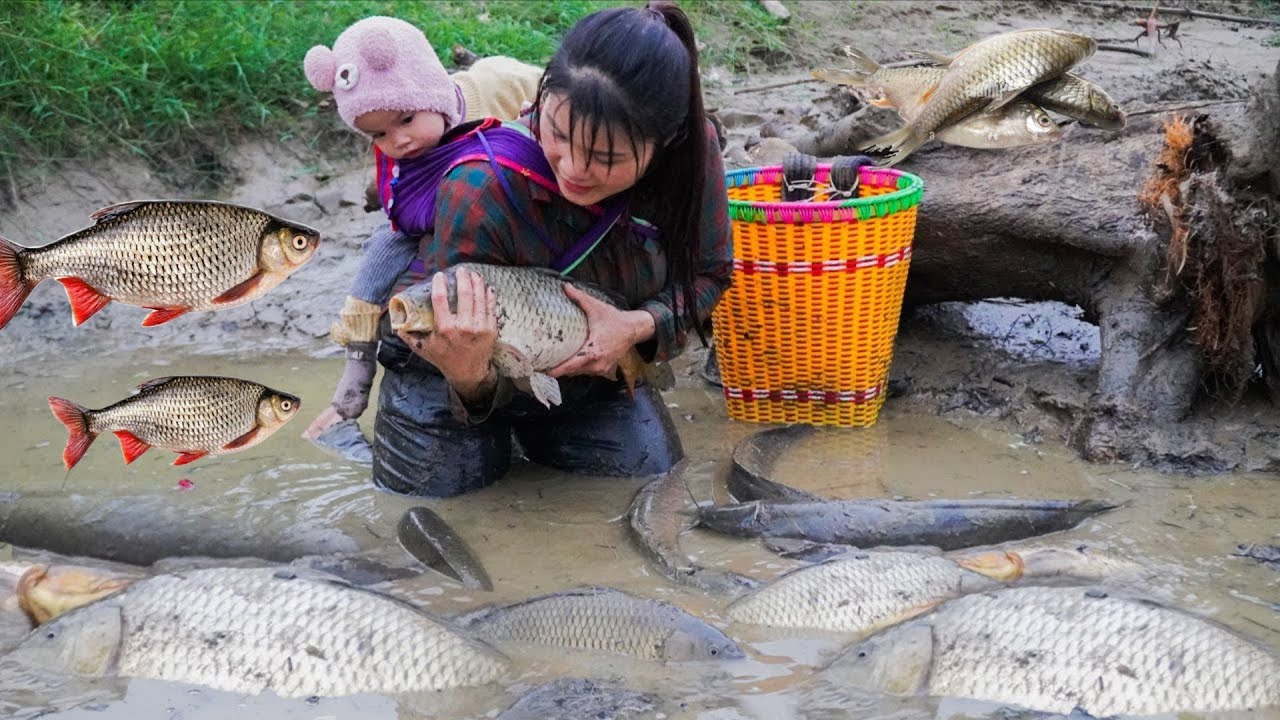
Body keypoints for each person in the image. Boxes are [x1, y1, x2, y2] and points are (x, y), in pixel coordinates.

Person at [371, 0, 733, 497]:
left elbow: (710, 275)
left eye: (605, 156)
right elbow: (447, 342)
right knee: (444, 500)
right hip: (443, 375)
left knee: (652, 484)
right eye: (557, 133)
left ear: (664, 145)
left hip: (591, 369)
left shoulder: (691, 159)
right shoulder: (480, 188)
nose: (572, 168)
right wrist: (468, 374)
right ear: (541, 99)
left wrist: (635, 328)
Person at [300, 16, 542, 448]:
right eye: (378, 134)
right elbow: (396, 217)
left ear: (431, 93)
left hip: (523, 200)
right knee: (382, 250)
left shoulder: (498, 86)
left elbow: (568, 96)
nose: (399, 141)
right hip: (444, 221)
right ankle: (357, 366)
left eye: (407, 119)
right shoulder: (406, 156)